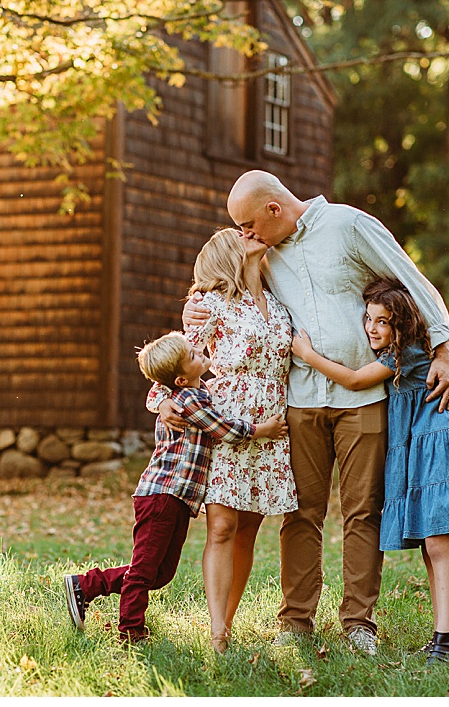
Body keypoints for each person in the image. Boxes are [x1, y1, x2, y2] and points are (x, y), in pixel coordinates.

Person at [168, 170, 449, 656]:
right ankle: (296, 621)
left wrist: (444, 350)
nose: (244, 234)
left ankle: (358, 623)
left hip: (364, 397)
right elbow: (224, 283)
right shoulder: (264, 252)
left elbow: (411, 280)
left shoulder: (347, 225)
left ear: (274, 209)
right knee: (301, 514)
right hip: (299, 400)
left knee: (363, 512)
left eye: (248, 224)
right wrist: (194, 306)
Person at [291, 277, 449, 663]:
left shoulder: (406, 353)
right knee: (430, 544)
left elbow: (354, 380)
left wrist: (308, 355)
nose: (371, 328)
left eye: (383, 321)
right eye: (368, 318)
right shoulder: (400, 350)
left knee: (437, 542)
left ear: (403, 324)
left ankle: (446, 638)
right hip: (415, 442)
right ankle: (444, 637)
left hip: (434, 441)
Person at [63, 331, 287, 644]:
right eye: (192, 355)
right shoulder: (189, 401)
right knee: (145, 570)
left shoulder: (198, 390)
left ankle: (85, 585)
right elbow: (223, 429)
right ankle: (130, 632)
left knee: (161, 573)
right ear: (180, 379)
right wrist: (263, 430)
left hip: (179, 499)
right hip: (162, 495)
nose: (199, 350)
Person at [148, 228, 298, 653]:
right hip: (225, 419)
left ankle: (227, 623)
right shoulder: (210, 305)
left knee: (248, 529)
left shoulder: (281, 304)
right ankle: (216, 632)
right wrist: (161, 402)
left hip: (271, 422)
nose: (250, 234)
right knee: (222, 526)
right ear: (226, 253)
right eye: (240, 234)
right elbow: (175, 364)